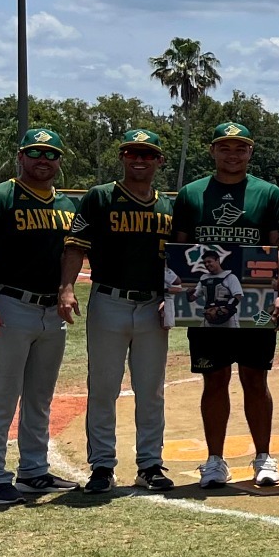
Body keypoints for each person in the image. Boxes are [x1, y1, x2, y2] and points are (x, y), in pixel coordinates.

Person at [0, 127, 80, 504]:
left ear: (59, 161)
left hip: (51, 311)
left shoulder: (66, 205)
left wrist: (66, 289)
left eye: (50, 154)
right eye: (35, 153)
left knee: (39, 397)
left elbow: (70, 255)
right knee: (2, 395)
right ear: (21, 156)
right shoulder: (0, 197)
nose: (43, 160)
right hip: (9, 305)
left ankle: (33, 471)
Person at [171, 122, 279, 489]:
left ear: (250, 153)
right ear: (213, 151)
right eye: (225, 148)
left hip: (255, 300)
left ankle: (263, 457)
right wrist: (174, 298)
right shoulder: (191, 194)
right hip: (205, 310)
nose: (232, 154)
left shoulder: (267, 193)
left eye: (240, 148)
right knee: (214, 379)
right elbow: (178, 252)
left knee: (256, 378)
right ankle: (214, 460)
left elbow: (276, 250)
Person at [60, 128, 176, 496]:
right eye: (132, 154)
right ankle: (102, 465)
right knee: (103, 387)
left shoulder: (168, 206)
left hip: (153, 306)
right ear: (123, 157)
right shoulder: (100, 197)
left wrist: (173, 297)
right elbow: (75, 246)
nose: (139, 160)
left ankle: (150, 464)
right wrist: (66, 287)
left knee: (151, 389)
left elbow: (183, 261)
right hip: (108, 300)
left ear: (159, 161)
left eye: (147, 155)